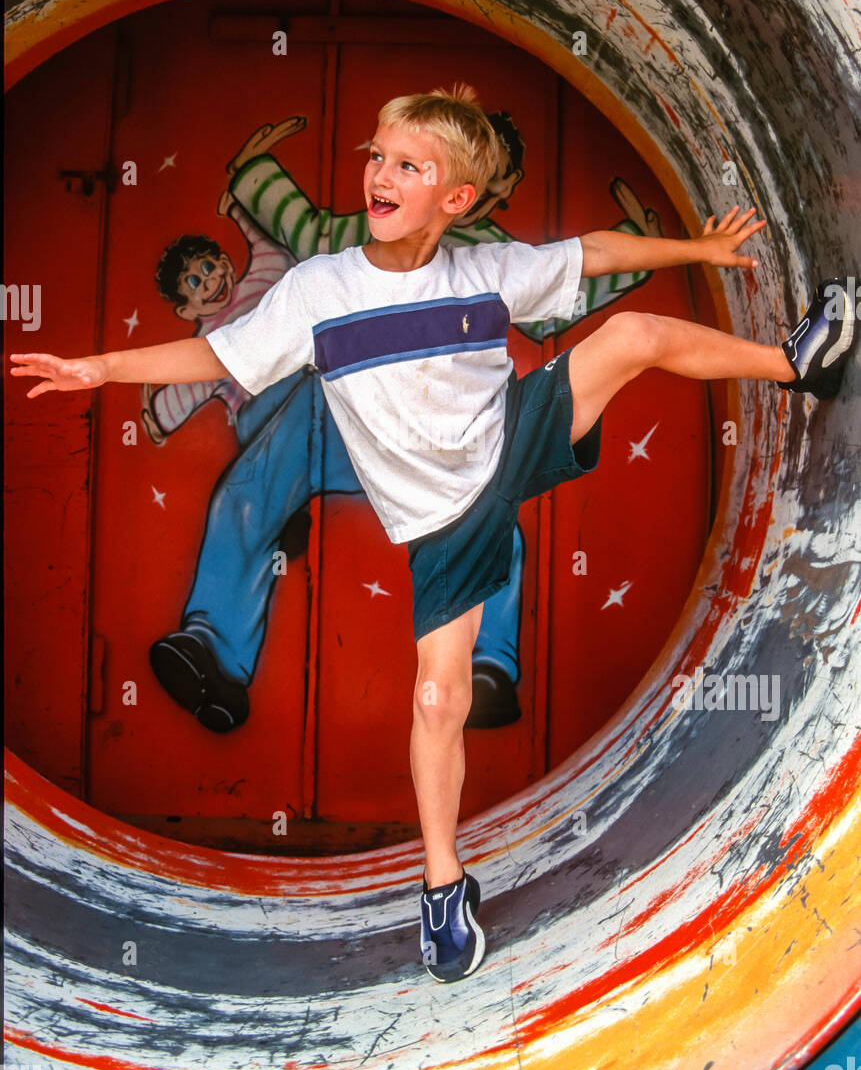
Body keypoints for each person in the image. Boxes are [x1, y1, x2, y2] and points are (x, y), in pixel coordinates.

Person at [11, 83, 856, 986]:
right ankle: (443, 887)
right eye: (376, 156)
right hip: (445, 520)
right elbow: (217, 357)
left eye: (406, 166)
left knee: (634, 333)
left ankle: (793, 364)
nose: (379, 174)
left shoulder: (484, 272)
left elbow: (592, 252)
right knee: (433, 702)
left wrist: (697, 246)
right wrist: (96, 366)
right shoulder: (319, 289)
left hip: (513, 437)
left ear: (453, 199)